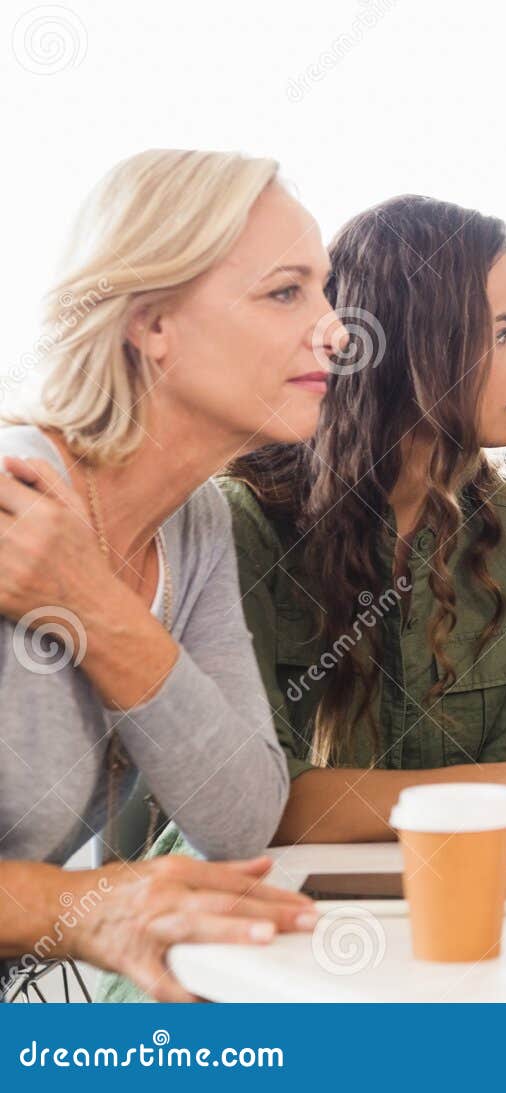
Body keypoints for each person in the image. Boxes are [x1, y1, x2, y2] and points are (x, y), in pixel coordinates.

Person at [212, 194, 506, 847]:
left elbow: (499, 802)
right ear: (410, 347)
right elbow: (258, 810)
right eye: (502, 331)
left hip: (455, 892)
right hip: (269, 911)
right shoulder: (240, 524)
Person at [0, 150, 331, 1001]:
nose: (335, 327)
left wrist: (94, 606)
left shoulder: (196, 522)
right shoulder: (12, 498)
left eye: (324, 291)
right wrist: (81, 902)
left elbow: (240, 812)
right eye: (286, 291)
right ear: (152, 323)